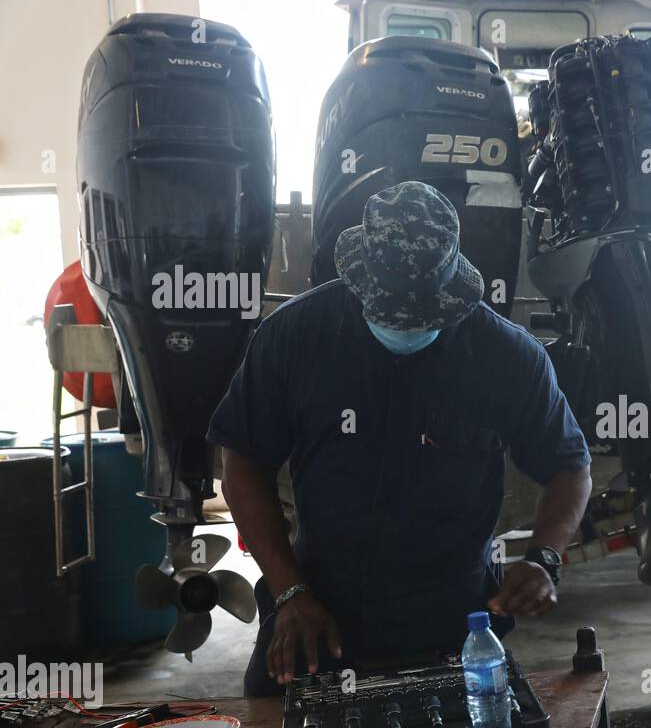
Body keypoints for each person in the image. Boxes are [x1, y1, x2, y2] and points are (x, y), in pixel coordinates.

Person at [209, 181, 592, 695]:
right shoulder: (293, 338)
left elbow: (570, 463)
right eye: (390, 314)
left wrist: (545, 556)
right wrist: (290, 592)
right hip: (321, 604)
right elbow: (242, 464)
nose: (407, 328)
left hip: (457, 613)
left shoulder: (508, 357)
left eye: (424, 317)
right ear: (359, 278)